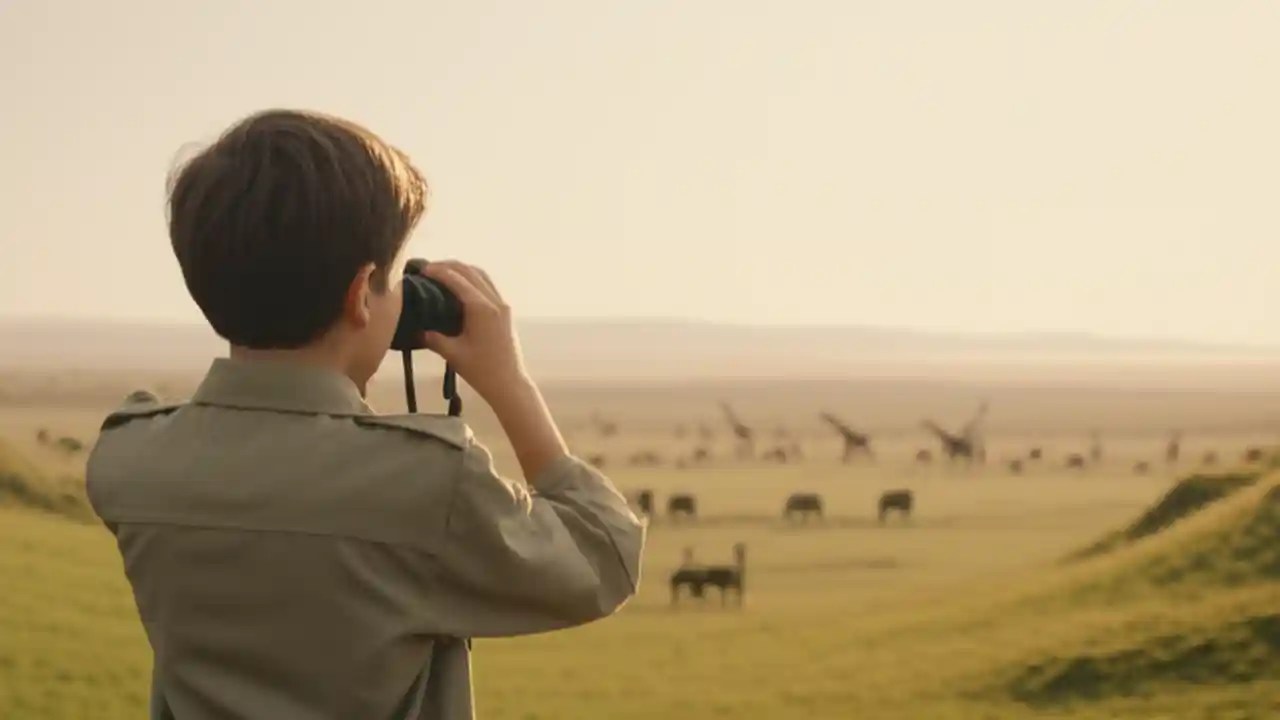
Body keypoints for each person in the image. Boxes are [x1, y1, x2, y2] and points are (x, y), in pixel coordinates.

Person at [85, 109, 646, 719]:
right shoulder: (427, 486)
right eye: (398, 276)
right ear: (361, 294)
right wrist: (508, 380)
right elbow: (604, 555)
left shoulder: (129, 460)